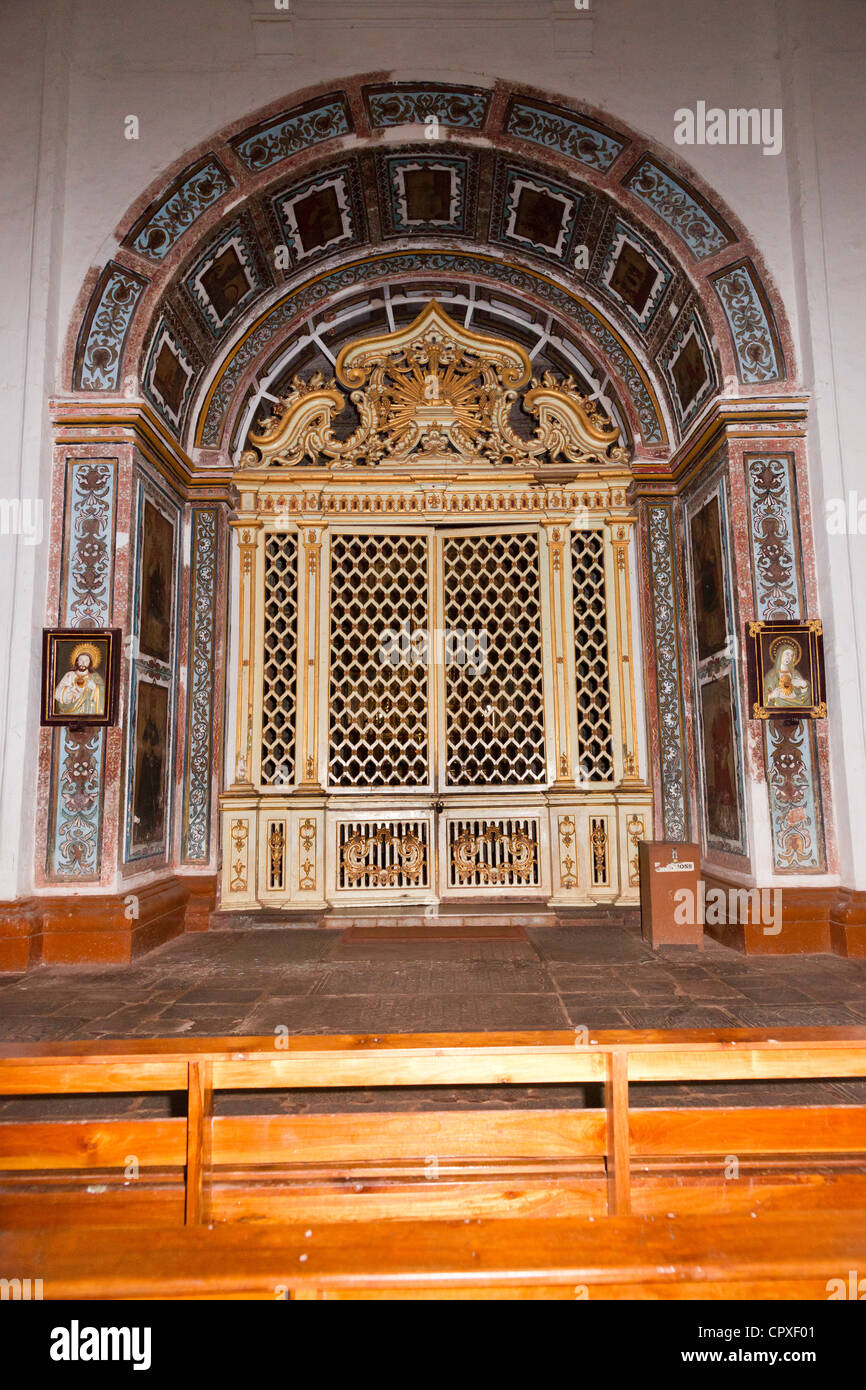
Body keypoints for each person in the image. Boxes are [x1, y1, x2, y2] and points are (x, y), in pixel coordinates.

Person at [54, 644, 105, 717]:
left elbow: (105, 693)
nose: (83, 663)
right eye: (81, 660)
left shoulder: (95, 677)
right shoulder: (69, 675)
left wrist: (94, 687)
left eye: (86, 660)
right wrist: (69, 690)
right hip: (70, 712)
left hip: (88, 711)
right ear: (77, 661)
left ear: (90, 662)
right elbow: (57, 693)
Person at [765, 638, 810, 708]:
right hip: (779, 705)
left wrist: (804, 685)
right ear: (780, 654)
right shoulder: (771, 675)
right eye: (787, 654)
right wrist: (771, 695)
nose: (789, 658)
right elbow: (764, 695)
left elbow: (804, 697)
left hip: (797, 705)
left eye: (791, 655)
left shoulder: (795, 673)